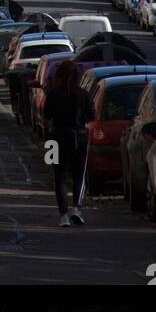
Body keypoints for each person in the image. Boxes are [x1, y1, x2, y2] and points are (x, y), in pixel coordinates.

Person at [42, 58, 95, 227]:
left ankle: (63, 214)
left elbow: (46, 117)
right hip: (78, 137)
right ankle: (76, 208)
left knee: (59, 177)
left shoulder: (52, 94)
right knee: (79, 175)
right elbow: (91, 116)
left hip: (56, 138)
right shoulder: (83, 94)